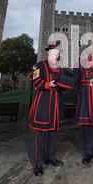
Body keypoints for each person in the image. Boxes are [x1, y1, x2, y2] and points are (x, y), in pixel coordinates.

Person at [28, 41, 75, 176]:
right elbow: (35, 81)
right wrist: (48, 84)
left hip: (56, 105)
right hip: (43, 104)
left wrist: (65, 85)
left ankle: (51, 158)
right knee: (41, 135)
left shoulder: (60, 69)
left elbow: (64, 84)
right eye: (54, 51)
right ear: (49, 52)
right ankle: (38, 164)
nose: (56, 53)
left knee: (53, 134)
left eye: (58, 52)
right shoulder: (39, 66)